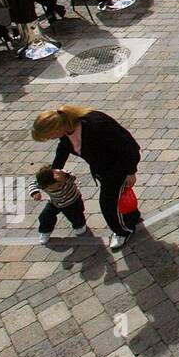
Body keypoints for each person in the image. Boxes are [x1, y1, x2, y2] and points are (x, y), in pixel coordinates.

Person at [32, 105, 142, 251]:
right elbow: (64, 148)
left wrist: (130, 171)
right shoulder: (66, 132)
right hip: (101, 170)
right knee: (118, 198)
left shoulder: (96, 124)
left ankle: (123, 231)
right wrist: (54, 169)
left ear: (56, 129)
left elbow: (129, 146)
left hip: (117, 169)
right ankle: (132, 217)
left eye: (48, 136)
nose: (49, 139)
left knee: (108, 204)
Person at [30, 165, 89, 245]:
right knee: (45, 216)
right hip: (55, 202)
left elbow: (73, 177)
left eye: (54, 185)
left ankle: (80, 225)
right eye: (48, 187)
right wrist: (35, 192)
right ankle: (45, 231)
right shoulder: (43, 183)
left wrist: (65, 175)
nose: (51, 188)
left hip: (72, 201)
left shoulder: (63, 177)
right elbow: (33, 184)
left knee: (76, 215)